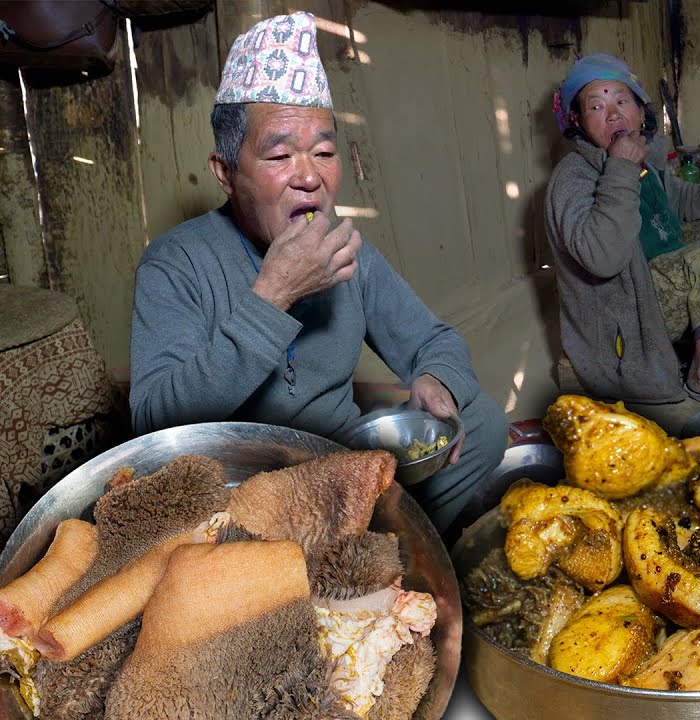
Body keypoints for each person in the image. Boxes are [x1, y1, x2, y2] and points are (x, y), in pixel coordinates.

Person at [128, 12, 505, 539]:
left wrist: (435, 380)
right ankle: (352, 552)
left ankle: (365, 547)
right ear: (225, 172)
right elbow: (153, 422)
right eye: (280, 154)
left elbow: (434, 340)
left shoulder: (349, 252)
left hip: (341, 464)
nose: (309, 176)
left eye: (324, 152)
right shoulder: (176, 264)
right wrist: (273, 295)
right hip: (242, 487)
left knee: (483, 421)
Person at [545, 54, 700, 406]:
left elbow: (680, 199)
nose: (614, 114)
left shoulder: (642, 159)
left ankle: (699, 341)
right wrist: (620, 168)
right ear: (577, 120)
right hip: (626, 315)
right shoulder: (573, 178)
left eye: (622, 101)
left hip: (657, 282)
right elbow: (602, 258)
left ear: (639, 111)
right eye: (596, 106)